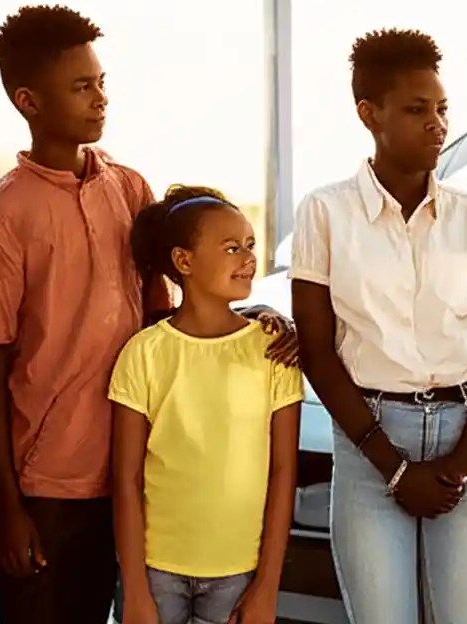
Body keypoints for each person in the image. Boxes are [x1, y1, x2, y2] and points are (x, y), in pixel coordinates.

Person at [0, 5, 297, 624]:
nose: (99, 98)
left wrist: (257, 321)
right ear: (29, 100)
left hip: (136, 482)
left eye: (101, 83)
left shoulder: (130, 189)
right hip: (47, 491)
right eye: (81, 86)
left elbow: (172, 317)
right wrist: (6, 504)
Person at [289, 28, 467, 623]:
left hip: (466, 440)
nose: (436, 123)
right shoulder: (325, 211)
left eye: (442, 109)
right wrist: (391, 466)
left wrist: (463, 462)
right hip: (370, 444)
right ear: (370, 114)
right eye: (417, 110)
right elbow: (316, 352)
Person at [111, 185, 302, 624]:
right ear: (184, 261)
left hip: (239, 572)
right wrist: (136, 592)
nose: (249, 259)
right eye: (232, 248)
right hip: (157, 572)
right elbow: (126, 478)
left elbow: (282, 472)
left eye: (251, 246)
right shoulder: (144, 353)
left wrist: (267, 587)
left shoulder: (273, 350)